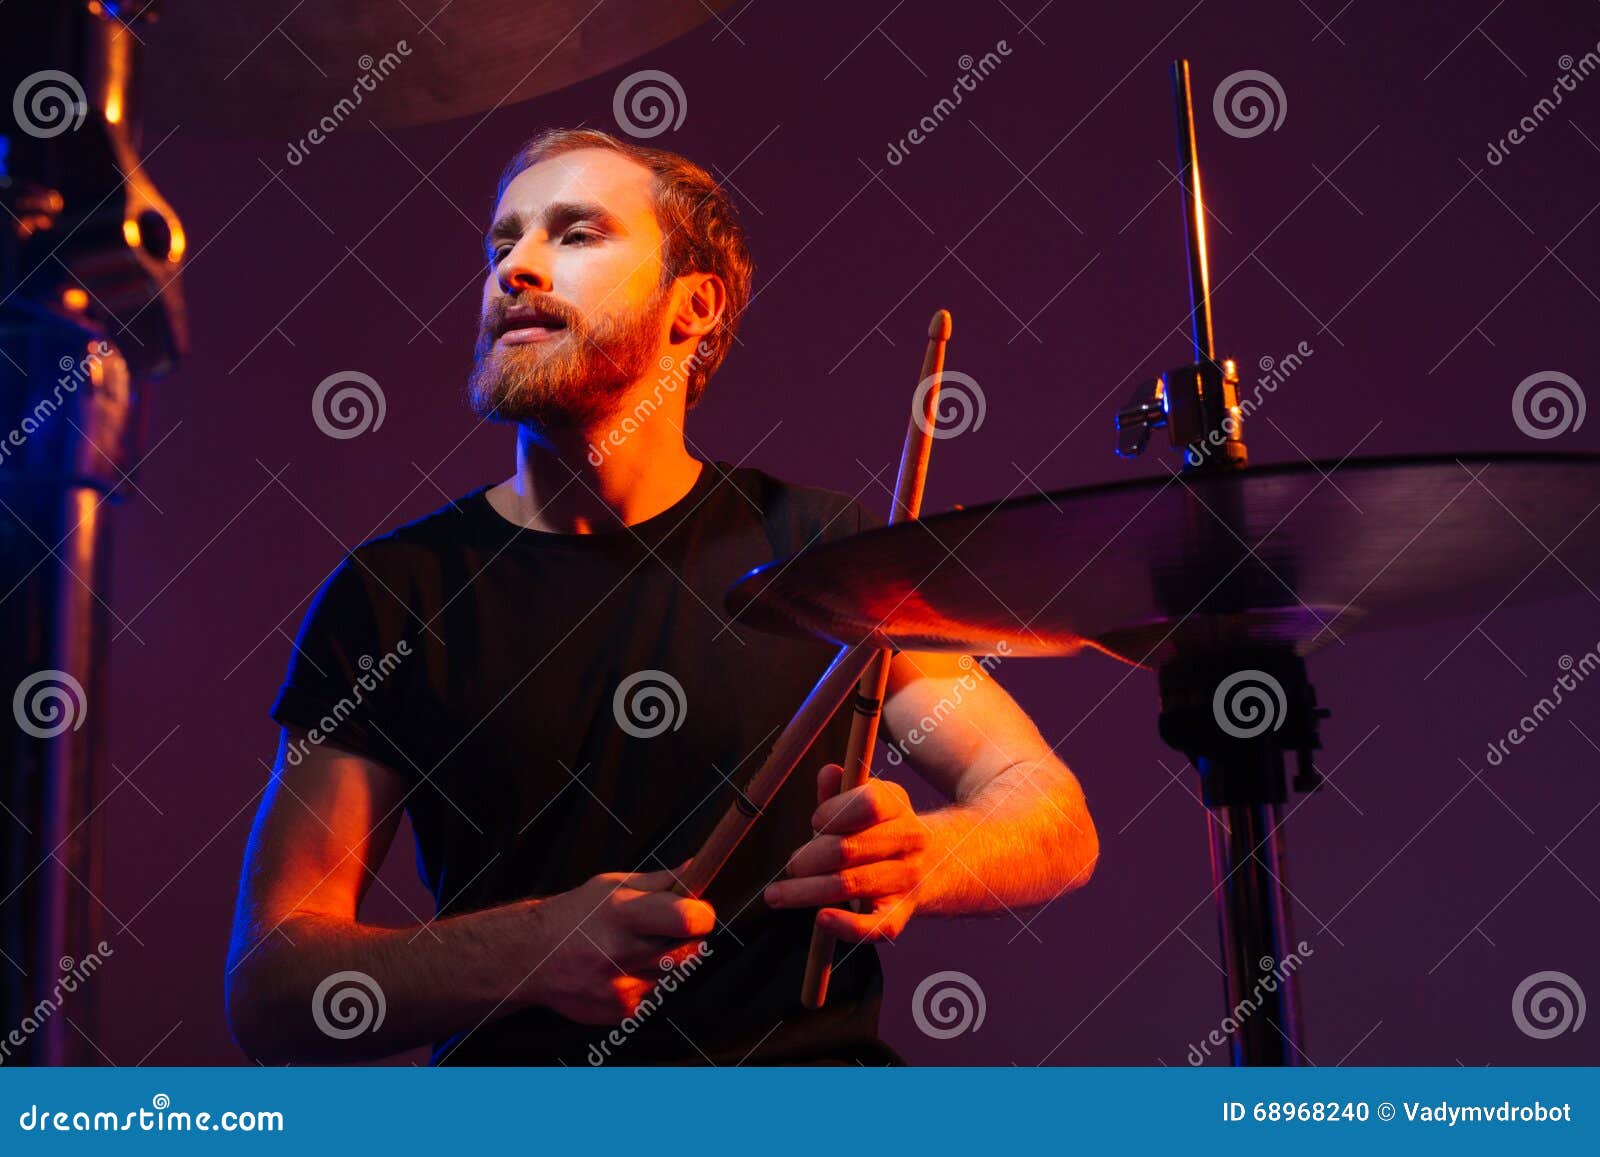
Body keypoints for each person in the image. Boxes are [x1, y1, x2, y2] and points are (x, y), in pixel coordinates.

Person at [224, 128, 1099, 1066]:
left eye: (576, 235)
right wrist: (530, 948)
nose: (515, 268)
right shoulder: (395, 593)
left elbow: (1049, 811)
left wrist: (922, 858)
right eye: (501, 242)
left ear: (693, 307)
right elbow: (275, 991)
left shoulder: (820, 552)